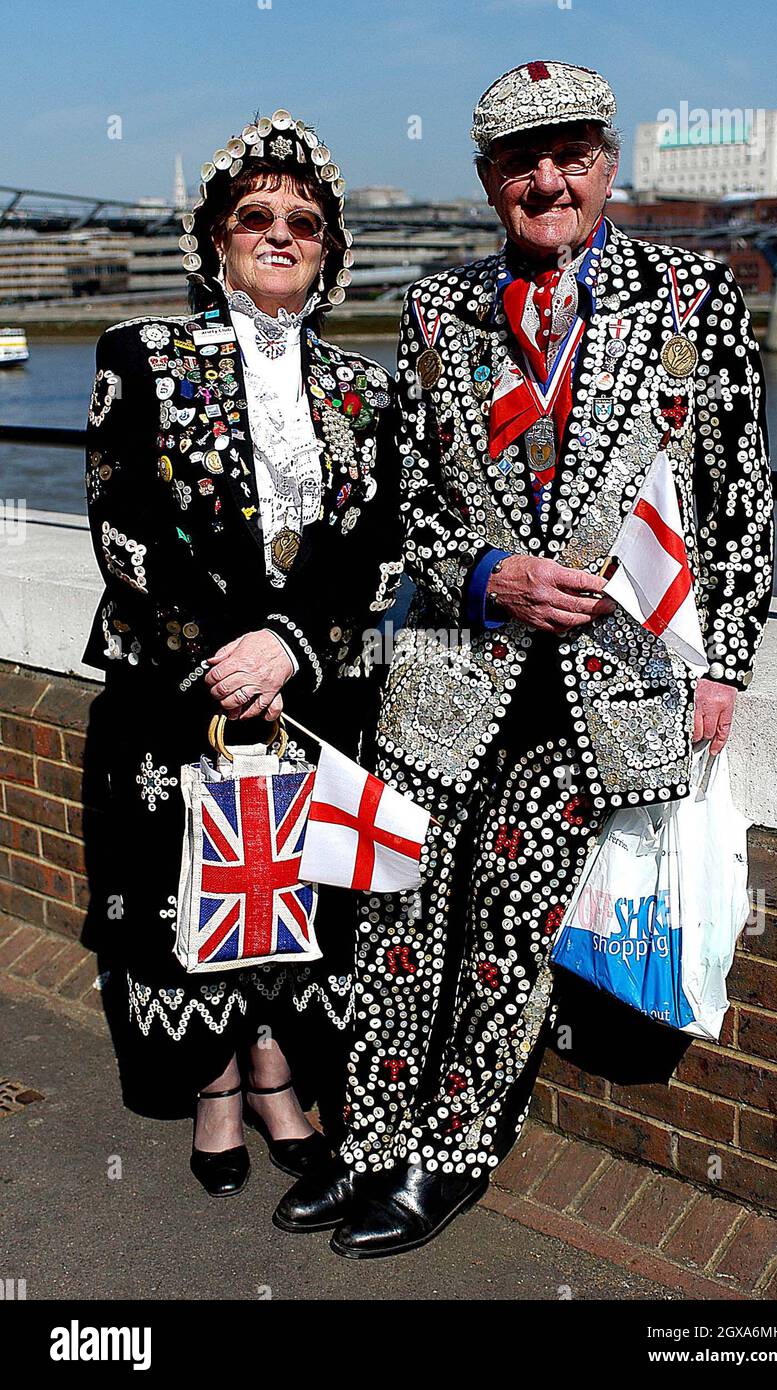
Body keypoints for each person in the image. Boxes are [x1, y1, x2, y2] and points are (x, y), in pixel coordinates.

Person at [274, 61, 773, 1257]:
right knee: (392, 910)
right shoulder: (435, 311)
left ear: (607, 163)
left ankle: (442, 1157)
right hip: (452, 666)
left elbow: (735, 496)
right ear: (486, 177)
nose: (545, 179)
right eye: (518, 160)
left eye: (570, 154)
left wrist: (725, 666)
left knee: (506, 938)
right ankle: (366, 1141)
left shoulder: (692, 294)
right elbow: (404, 510)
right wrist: (482, 577)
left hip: (604, 684)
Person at [83, 108, 401, 1197]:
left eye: (303, 222)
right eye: (254, 216)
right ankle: (216, 1081)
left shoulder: (368, 388)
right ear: (213, 237)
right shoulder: (140, 355)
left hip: (311, 690)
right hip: (180, 685)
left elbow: (374, 540)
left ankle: (276, 1068)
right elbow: (125, 521)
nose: (280, 234)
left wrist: (289, 648)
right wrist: (227, 652)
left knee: (291, 888)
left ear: (329, 246)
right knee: (192, 887)